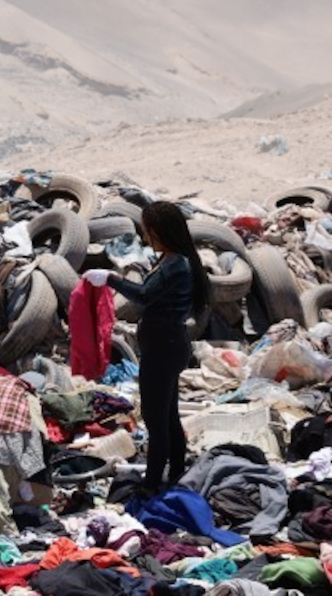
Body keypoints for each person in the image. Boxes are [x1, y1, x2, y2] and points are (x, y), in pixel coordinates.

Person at [83, 201, 210, 492]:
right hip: (166, 346)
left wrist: (110, 279)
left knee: (155, 419)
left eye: (147, 229)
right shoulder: (172, 259)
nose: (144, 235)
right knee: (168, 414)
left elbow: (143, 295)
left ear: (160, 231)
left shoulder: (176, 264)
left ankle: (152, 484)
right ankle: (176, 472)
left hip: (164, 350)